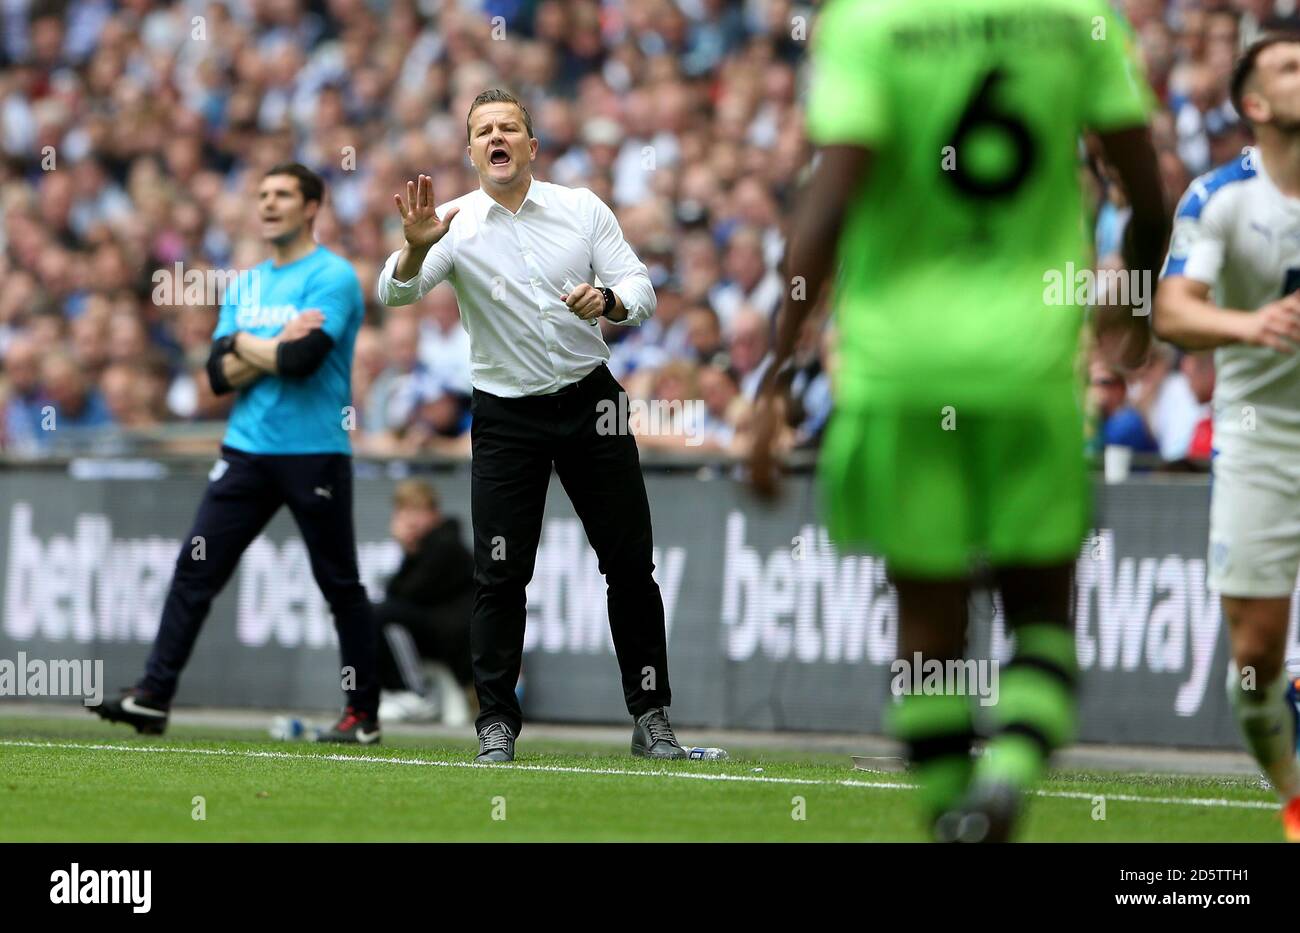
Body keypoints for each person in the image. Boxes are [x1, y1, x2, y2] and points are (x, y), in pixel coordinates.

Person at [750, 0, 1169, 841]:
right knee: (1042, 608)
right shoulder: (1077, 18)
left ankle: (950, 810)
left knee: (927, 618)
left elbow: (828, 202)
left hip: (900, 365)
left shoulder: (871, 23)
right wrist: (1138, 298)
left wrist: (780, 370)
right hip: (1031, 359)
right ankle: (1009, 776)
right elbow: (1147, 188)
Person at [378, 88, 717, 763]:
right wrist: (414, 251)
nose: (497, 137)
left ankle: (652, 718)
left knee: (630, 566)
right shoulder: (451, 222)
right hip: (507, 415)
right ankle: (496, 724)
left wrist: (609, 298)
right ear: (470, 151)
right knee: (501, 575)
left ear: (532, 145)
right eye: (484, 130)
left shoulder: (582, 208)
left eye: (510, 127)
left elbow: (642, 291)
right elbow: (394, 290)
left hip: (592, 402)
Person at [90, 163, 381, 745]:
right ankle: (153, 696)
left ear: (311, 207)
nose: (269, 204)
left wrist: (245, 347)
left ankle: (362, 716)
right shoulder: (248, 284)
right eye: (263, 194)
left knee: (339, 586)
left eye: (282, 195)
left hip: (314, 452)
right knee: (194, 571)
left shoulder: (334, 276)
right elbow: (217, 374)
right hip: (246, 451)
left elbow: (299, 366)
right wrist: (272, 343)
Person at [1154, 33, 1300, 841]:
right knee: (1255, 660)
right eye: (1288, 67)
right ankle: (1293, 791)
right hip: (1261, 440)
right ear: (1255, 104)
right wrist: (1250, 323)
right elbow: (1172, 310)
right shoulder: (1223, 197)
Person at [375, 479, 475, 724]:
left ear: (433, 513)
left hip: (460, 640)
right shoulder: (427, 546)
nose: (409, 520)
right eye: (404, 512)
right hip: (443, 632)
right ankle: (396, 691)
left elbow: (407, 593)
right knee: (372, 615)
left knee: (380, 614)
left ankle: (414, 694)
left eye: (416, 511)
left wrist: (408, 549)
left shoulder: (445, 544)